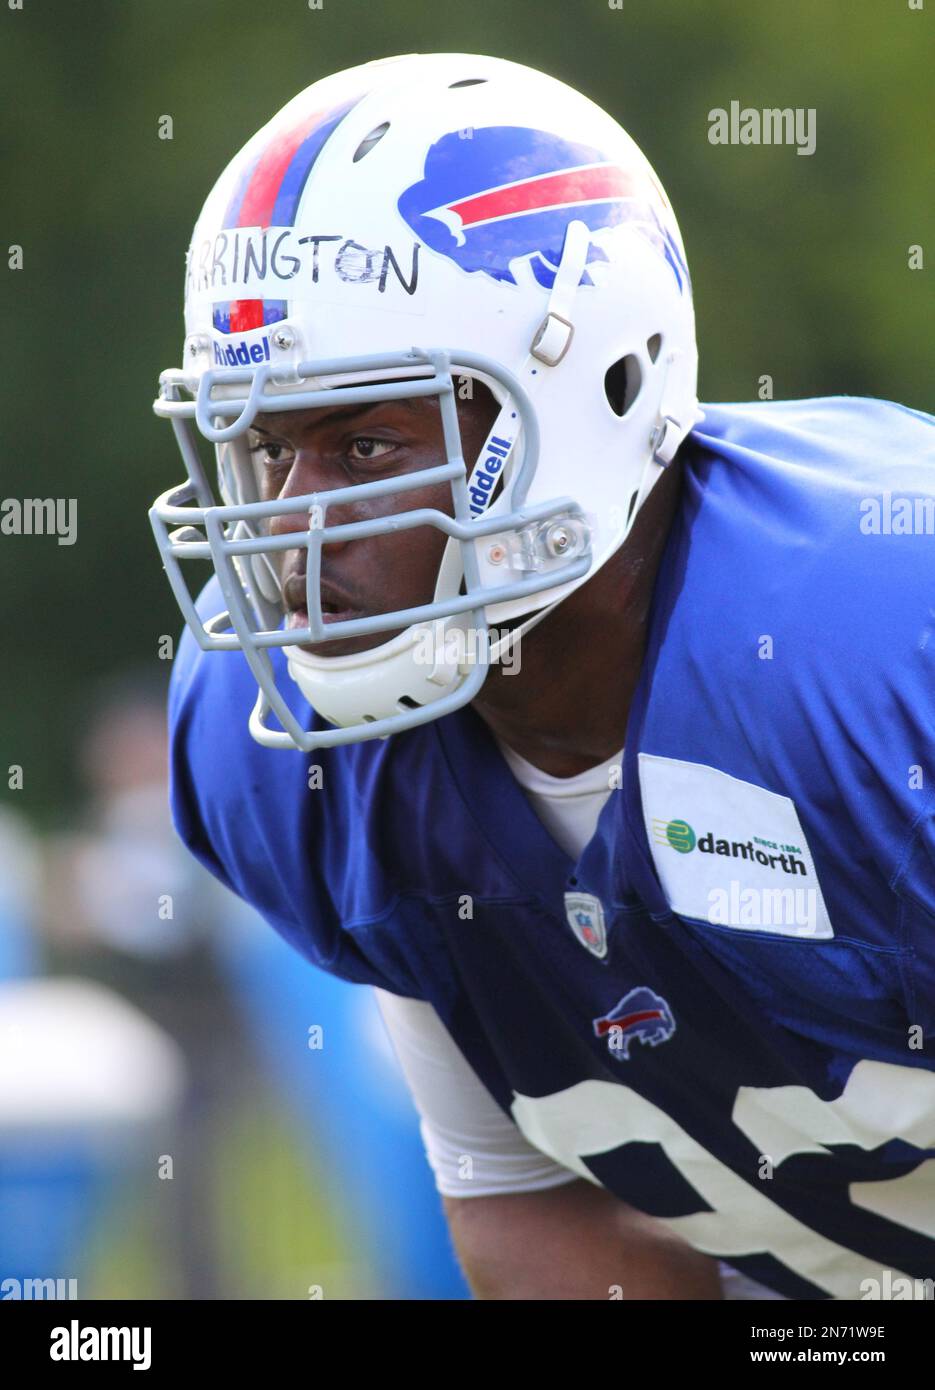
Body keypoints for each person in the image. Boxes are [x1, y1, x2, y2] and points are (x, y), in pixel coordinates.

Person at [151, 52, 935, 1301]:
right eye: (263, 447)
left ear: (598, 393)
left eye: (362, 441)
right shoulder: (294, 755)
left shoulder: (871, 657)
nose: (292, 532)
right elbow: (533, 1211)